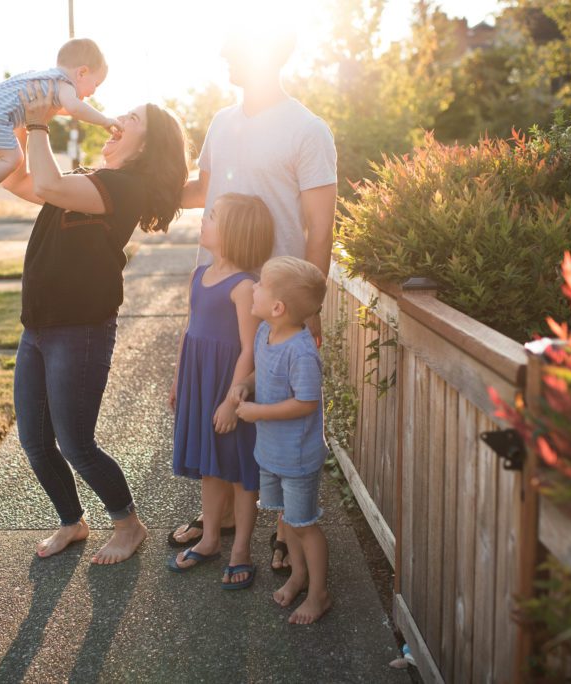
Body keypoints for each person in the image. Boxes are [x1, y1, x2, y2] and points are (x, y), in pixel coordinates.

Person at [2, 79, 188, 564]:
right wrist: (19, 128)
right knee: (35, 440)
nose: (117, 120)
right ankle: (72, 521)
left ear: (145, 146)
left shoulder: (127, 188)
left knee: (76, 444)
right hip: (38, 327)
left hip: (80, 330)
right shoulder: (90, 177)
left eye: (132, 118)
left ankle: (128, 525)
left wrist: (40, 123)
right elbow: (19, 182)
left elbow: (47, 185)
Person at [176, 26, 338, 574]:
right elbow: (202, 190)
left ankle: (286, 527)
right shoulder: (221, 121)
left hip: (276, 306)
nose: (223, 52)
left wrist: (307, 310)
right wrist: (132, 188)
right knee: (220, 406)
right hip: (222, 292)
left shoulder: (308, 130)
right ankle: (219, 518)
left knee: (276, 420)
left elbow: (320, 228)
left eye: (234, 47)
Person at [167, 193, 275, 589]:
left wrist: (232, 400)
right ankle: (210, 539)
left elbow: (249, 348)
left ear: (233, 233)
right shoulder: (199, 274)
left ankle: (241, 550)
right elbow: (189, 330)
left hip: (230, 386)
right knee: (210, 466)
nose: (203, 220)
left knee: (239, 470)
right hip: (199, 381)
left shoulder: (244, 286)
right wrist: (179, 379)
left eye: (211, 216)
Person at [232, 256, 331, 624]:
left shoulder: (302, 352)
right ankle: (298, 575)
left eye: (260, 285)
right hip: (271, 451)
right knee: (287, 520)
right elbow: (263, 371)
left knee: (304, 524)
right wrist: (246, 384)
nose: (253, 288)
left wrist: (258, 412)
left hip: (298, 457)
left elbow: (306, 403)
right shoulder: (265, 332)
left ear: (277, 307)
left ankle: (319, 594)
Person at [0, 38, 121, 219]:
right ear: (82, 73)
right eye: (96, 84)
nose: (94, 91)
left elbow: (64, 109)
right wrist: (105, 120)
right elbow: (75, 108)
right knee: (13, 159)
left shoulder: (44, 77)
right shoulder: (64, 83)